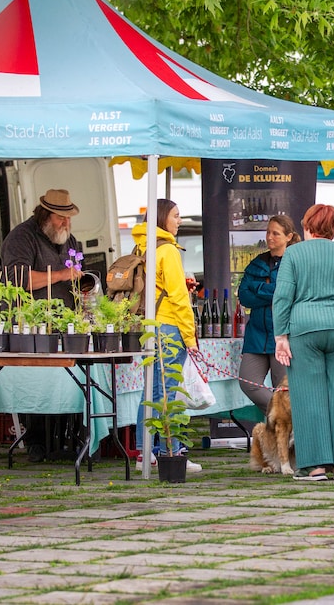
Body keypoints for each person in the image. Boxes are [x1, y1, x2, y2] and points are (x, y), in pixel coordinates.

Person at [273, 204, 334, 482]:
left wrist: (281, 337)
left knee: (308, 397)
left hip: (305, 328)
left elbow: (282, 297)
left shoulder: (293, 254)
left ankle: (314, 467)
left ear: (307, 225)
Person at [0, 188, 85, 462]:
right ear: (45, 216)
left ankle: (63, 440)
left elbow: (76, 273)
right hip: (31, 327)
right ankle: (36, 442)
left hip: (63, 324)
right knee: (37, 385)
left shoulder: (70, 239)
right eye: (61, 218)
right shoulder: (21, 237)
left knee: (65, 384)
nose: (66, 223)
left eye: (68, 218)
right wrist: (60, 275)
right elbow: (17, 279)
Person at [132, 199, 201, 472]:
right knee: (169, 391)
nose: (179, 220)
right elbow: (178, 299)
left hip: (149, 325)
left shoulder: (143, 246)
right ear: (162, 218)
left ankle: (144, 452)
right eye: (176, 215)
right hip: (170, 326)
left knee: (151, 390)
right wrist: (190, 337)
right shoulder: (168, 250)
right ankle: (171, 451)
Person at [238, 215, 301, 414]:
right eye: (268, 232)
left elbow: (292, 294)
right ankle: (281, 416)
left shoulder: (296, 262)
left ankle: (287, 428)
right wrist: (275, 294)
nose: (270, 237)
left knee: (283, 389)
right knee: (248, 382)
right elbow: (244, 296)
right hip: (256, 335)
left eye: (276, 233)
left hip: (284, 336)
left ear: (288, 236)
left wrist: (259, 289)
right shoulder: (257, 263)